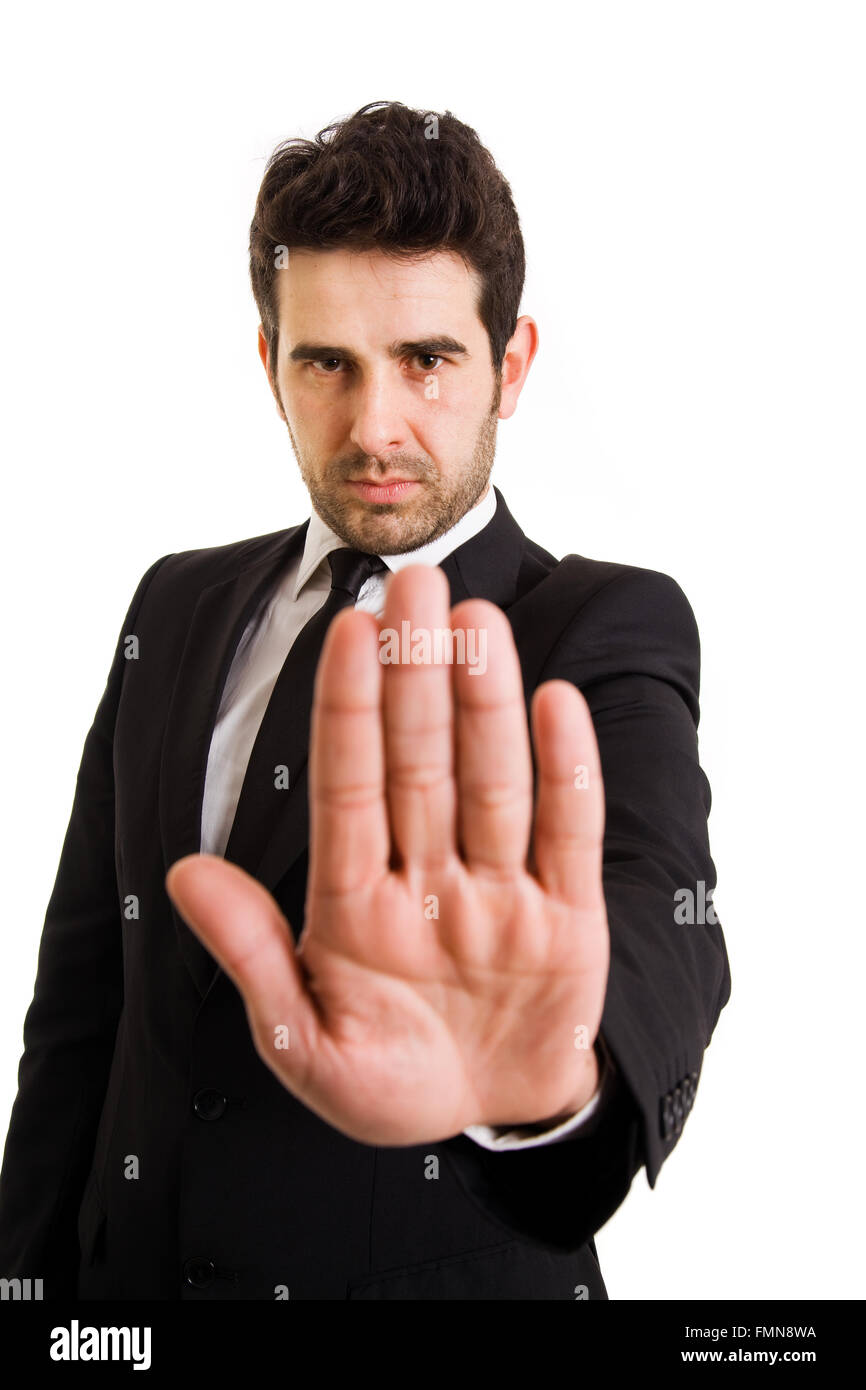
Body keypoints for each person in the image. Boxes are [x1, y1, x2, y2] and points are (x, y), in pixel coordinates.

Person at [0, 100, 730, 1301]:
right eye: (325, 362)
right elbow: (82, 1007)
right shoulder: (173, 606)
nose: (373, 425)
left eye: (427, 361)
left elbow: (665, 909)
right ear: (268, 366)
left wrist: (554, 1096)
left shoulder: (601, 627)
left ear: (510, 365)